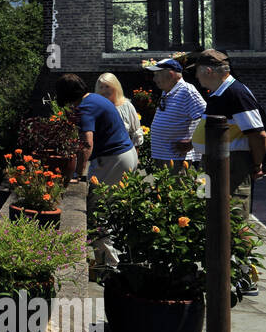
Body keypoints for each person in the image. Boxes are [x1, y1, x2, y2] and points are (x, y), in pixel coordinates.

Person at [192, 49, 266, 296]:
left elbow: (257, 134)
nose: (196, 77)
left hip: (231, 165)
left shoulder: (236, 93)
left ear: (208, 71)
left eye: (197, 71)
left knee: (235, 217)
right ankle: (218, 270)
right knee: (208, 209)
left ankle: (245, 277)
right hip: (212, 164)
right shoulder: (219, 92)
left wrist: (257, 165)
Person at [56, 73, 136, 269]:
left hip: (113, 159)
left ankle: (110, 264)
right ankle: (107, 260)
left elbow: (87, 144)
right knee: (110, 208)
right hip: (125, 155)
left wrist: (78, 174)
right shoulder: (95, 99)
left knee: (97, 212)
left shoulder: (85, 108)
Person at [144, 57, 206, 171]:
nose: (154, 79)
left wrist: (192, 143)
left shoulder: (187, 91)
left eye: (157, 75)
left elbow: (207, 118)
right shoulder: (167, 91)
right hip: (165, 157)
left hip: (179, 160)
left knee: (179, 183)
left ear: (171, 75)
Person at [96, 72, 143, 152]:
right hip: (101, 154)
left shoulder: (127, 106)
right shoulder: (96, 107)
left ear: (115, 87)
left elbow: (136, 132)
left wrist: (136, 155)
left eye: (107, 86)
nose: (104, 90)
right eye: (101, 87)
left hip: (124, 153)